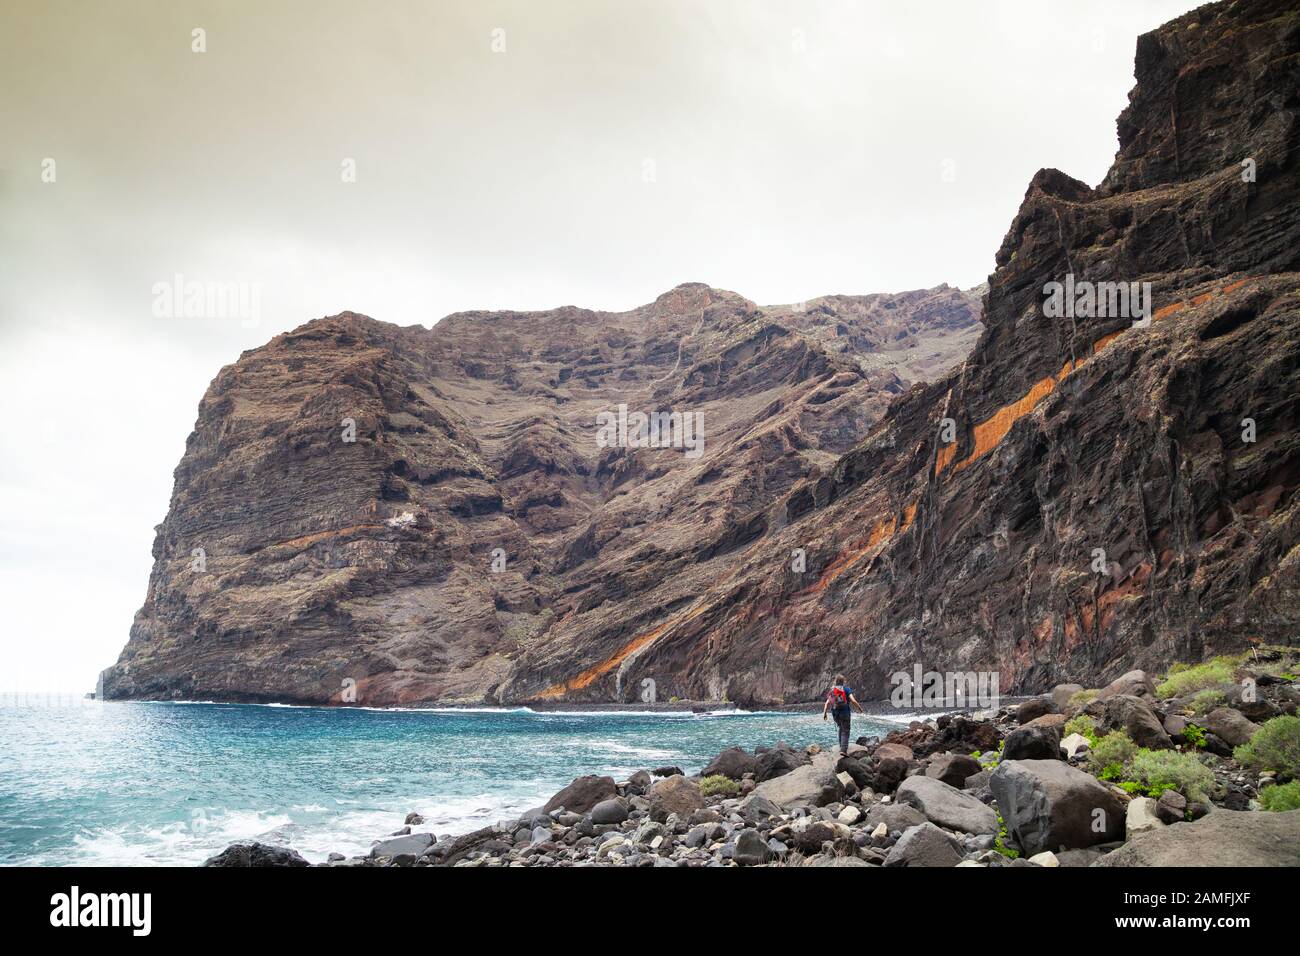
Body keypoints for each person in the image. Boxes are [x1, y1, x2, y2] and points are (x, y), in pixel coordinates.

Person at [822, 673, 866, 756]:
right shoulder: (846, 689)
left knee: (841, 728)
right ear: (843, 681)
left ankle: (841, 746)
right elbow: (853, 700)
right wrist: (859, 708)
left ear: (835, 681)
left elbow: (827, 703)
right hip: (845, 713)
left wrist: (825, 714)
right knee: (845, 731)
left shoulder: (832, 691)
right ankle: (843, 750)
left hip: (835, 714)